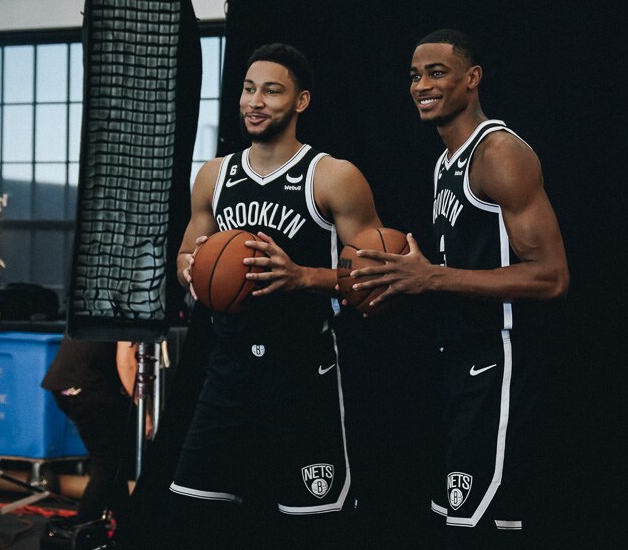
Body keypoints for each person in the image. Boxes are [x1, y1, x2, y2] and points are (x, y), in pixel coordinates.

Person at [349, 29, 570, 548]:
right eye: (414, 75)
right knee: (477, 521)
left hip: (503, 361)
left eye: (436, 72)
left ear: (472, 79)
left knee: (477, 526)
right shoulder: (446, 162)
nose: (421, 85)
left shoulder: (499, 154)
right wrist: (411, 277)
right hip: (460, 360)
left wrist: (433, 277)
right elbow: (460, 268)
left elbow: (552, 275)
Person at [169, 42, 382, 549]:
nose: (254, 101)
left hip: (304, 369)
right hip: (229, 366)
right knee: (196, 519)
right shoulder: (214, 175)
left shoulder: (332, 176)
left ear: (301, 102)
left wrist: (302, 276)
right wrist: (196, 268)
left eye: (271, 90)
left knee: (311, 526)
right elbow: (182, 261)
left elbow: (379, 278)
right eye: (248, 89)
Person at [40, 338, 146, 532]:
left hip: (73, 383)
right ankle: (84, 528)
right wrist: (144, 410)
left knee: (113, 463)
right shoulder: (133, 312)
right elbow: (126, 362)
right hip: (86, 385)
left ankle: (128, 524)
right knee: (108, 463)